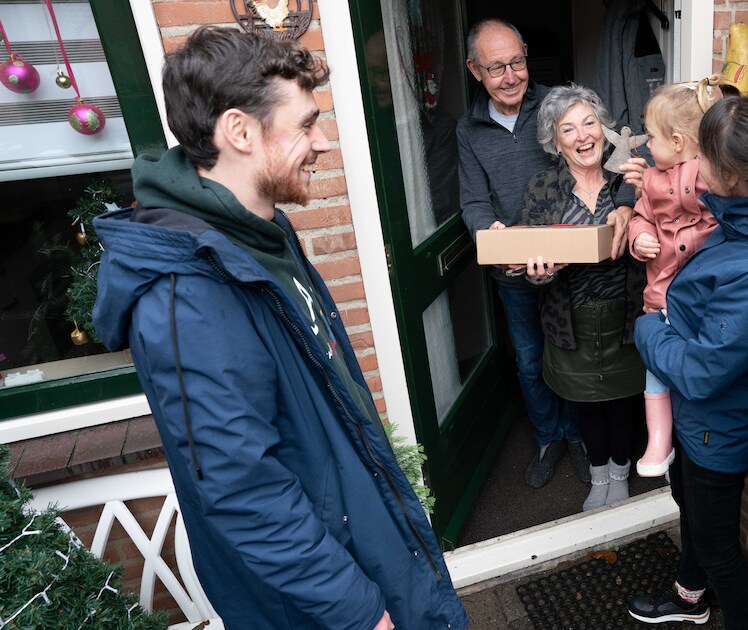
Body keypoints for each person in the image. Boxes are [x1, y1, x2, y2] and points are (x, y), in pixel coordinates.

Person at [90, 27, 466, 630]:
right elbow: (243, 492)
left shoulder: (262, 233)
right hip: (324, 603)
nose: (322, 142)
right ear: (240, 131)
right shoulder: (188, 295)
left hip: (363, 542)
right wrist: (357, 611)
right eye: (306, 124)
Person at [628, 95, 748, 629]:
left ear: (732, 174)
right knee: (689, 508)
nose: (694, 160)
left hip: (717, 431)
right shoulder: (740, 219)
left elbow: (702, 372)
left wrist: (647, 327)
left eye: (703, 153)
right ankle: (690, 596)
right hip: (698, 424)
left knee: (718, 549)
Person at [457, 19, 635, 488]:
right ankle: (547, 438)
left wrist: (623, 206)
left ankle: (580, 439)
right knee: (531, 361)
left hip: (577, 272)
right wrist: (494, 237)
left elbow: (622, 161)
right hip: (518, 266)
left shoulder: (560, 106)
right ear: (475, 70)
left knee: (573, 356)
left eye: (517, 62)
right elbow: (473, 201)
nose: (510, 76)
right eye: (496, 68)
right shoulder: (469, 129)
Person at [519, 84, 647, 512]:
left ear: (604, 129)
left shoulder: (629, 180)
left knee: (623, 401)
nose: (582, 136)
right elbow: (529, 260)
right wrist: (539, 274)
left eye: (589, 123)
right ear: (555, 142)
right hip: (570, 317)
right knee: (586, 404)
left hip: (625, 315)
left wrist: (630, 207)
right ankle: (598, 475)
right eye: (568, 129)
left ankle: (620, 474)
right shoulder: (541, 188)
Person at [622, 77, 721, 477]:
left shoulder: (714, 175)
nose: (646, 145)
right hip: (664, 292)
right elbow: (641, 216)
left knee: (729, 357)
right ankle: (659, 439)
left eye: (650, 136)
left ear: (678, 142)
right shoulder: (652, 181)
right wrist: (639, 236)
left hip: (708, 294)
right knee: (657, 362)